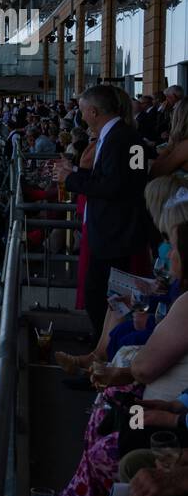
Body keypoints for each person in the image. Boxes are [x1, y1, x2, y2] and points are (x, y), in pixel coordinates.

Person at [55, 85, 154, 337]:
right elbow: (115, 179)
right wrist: (76, 173)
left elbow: (117, 185)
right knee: (102, 297)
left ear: (94, 111)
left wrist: (71, 180)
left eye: (82, 110)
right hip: (114, 230)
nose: (81, 116)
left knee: (98, 296)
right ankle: (103, 354)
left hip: (115, 232)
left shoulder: (125, 138)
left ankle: (106, 354)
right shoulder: (124, 137)